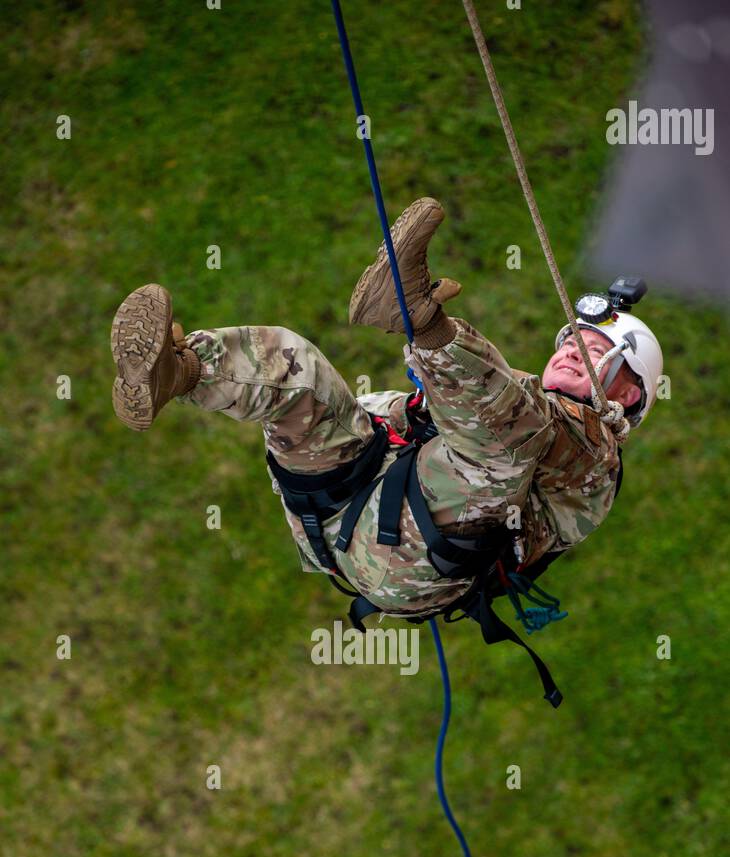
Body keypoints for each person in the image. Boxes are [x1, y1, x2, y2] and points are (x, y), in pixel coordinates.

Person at [110, 198, 662, 623]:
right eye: (570, 341)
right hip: (339, 515)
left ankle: (418, 316)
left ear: (629, 395)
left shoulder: (598, 463)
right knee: (297, 367)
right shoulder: (512, 392)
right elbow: (429, 412)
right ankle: (176, 372)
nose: (571, 351)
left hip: (410, 562)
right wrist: (385, 411)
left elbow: (513, 432)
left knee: (508, 442)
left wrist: (434, 341)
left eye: (593, 353)